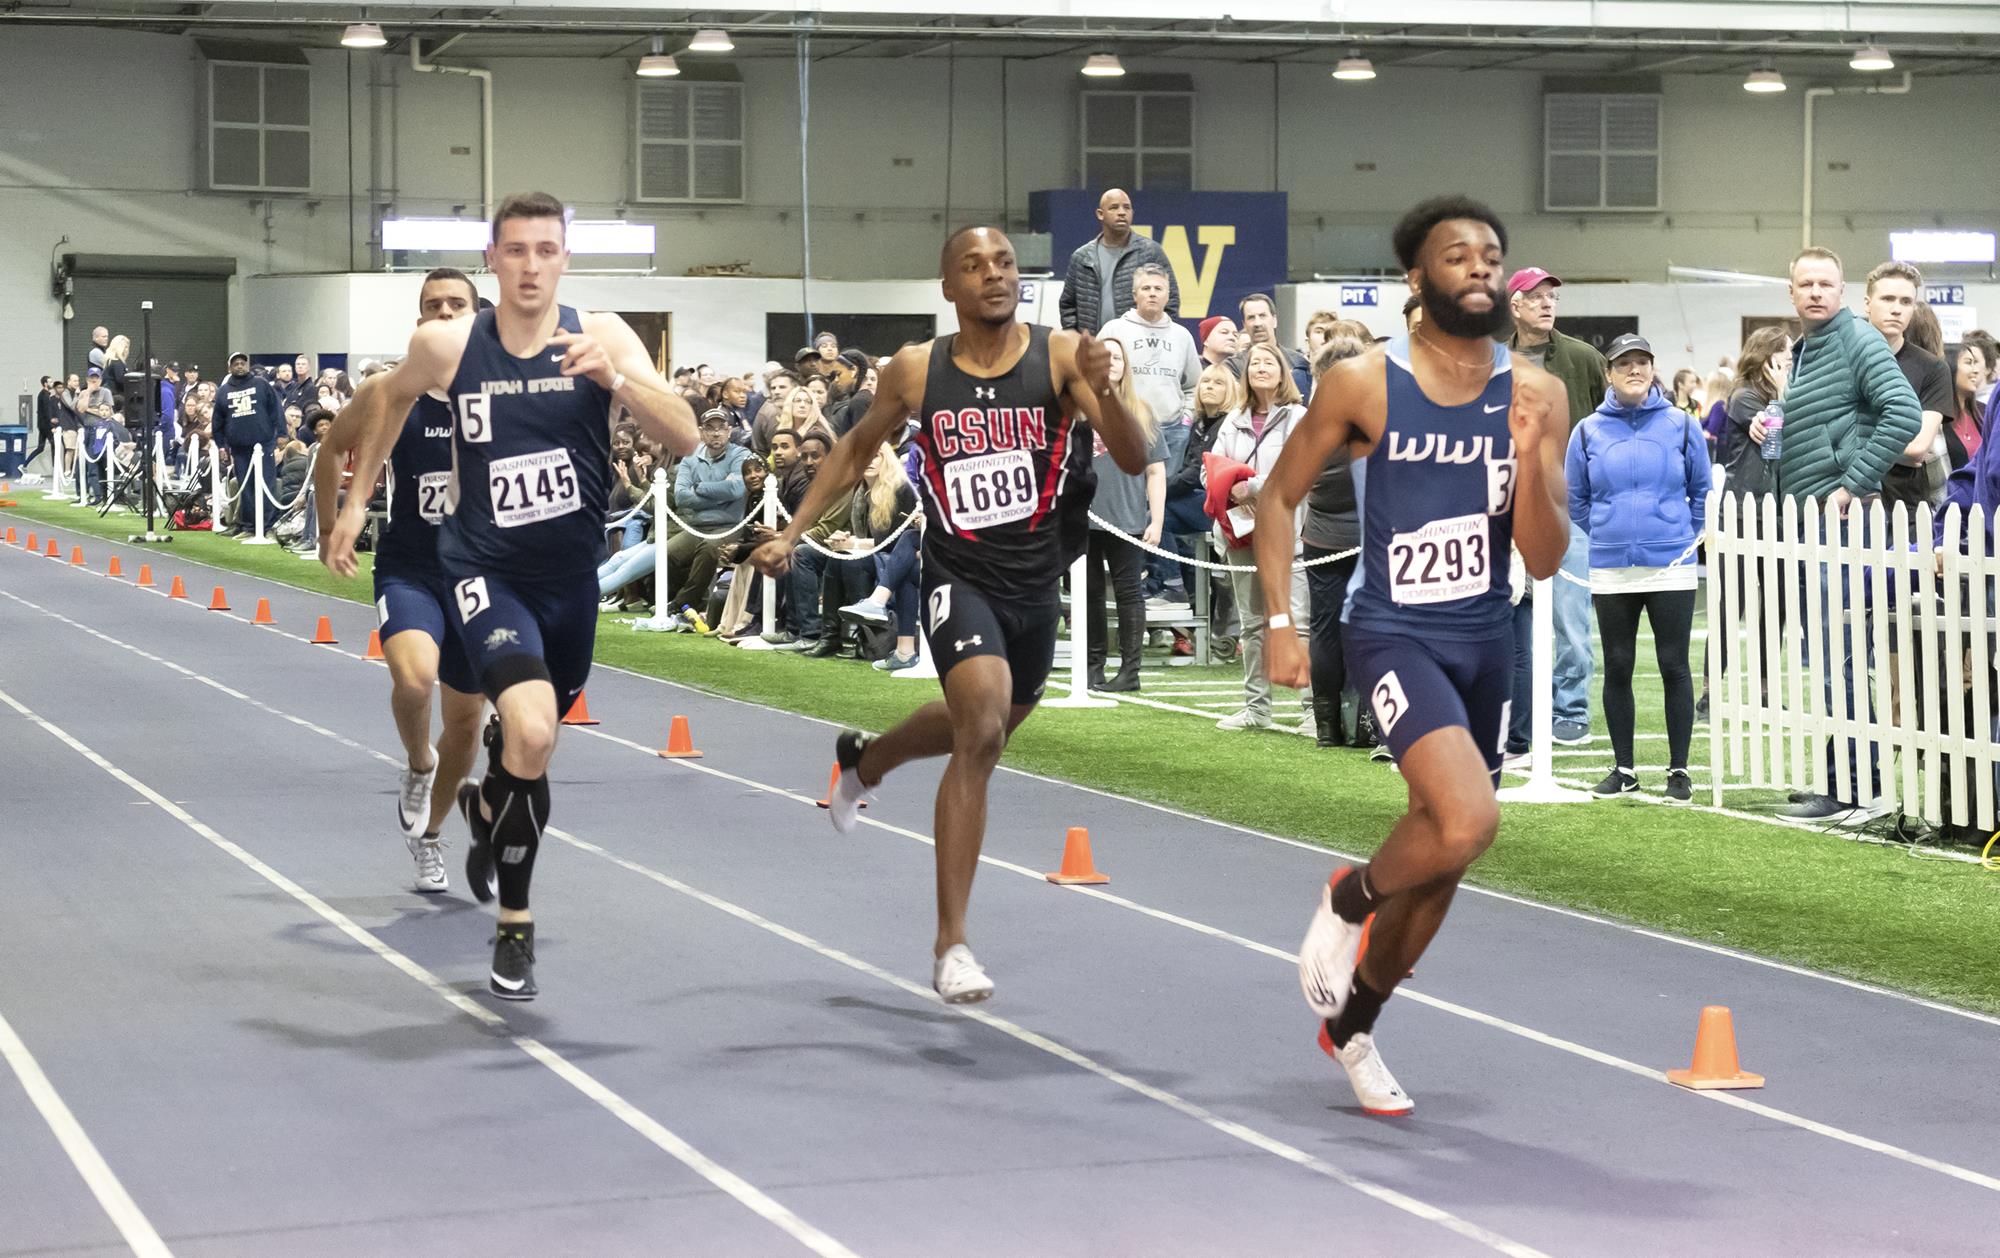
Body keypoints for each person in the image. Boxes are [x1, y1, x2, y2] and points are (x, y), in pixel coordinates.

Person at [751, 225, 1145, 1004]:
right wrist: (792, 534)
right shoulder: (915, 370)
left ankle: (865, 763)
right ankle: (951, 946)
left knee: (987, 723)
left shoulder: (1062, 355)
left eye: (1004, 263)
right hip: (957, 571)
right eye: (975, 265)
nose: (995, 275)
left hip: (1036, 581)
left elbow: (1132, 456)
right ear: (948, 287)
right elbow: (857, 447)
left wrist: (1109, 391)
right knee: (983, 726)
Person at [323, 192, 699, 1000]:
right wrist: (356, 505)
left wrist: (620, 382)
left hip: (570, 583)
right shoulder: (451, 343)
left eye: (546, 250)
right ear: (493, 261)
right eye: (516, 251)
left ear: (566, 258)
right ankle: (516, 929)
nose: (531, 265)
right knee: (528, 733)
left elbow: (686, 434)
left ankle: (488, 809)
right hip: (484, 572)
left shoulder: (601, 335)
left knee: (530, 749)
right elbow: (388, 402)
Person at [1255, 195, 1569, 1116]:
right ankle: (1349, 898)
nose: (1479, 265)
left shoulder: (1539, 394)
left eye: (1491, 254)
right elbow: (1277, 501)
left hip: (1485, 636)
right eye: (1457, 254)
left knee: (1445, 856)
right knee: (1468, 819)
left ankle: (1354, 1025)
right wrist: (1280, 623)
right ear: (1417, 279)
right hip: (1392, 629)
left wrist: (1530, 464)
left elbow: (1544, 556)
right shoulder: (1363, 381)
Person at [308, 270, 488, 892]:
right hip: (411, 566)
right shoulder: (387, 392)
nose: (443, 313)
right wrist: (333, 527)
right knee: (413, 679)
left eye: (456, 304)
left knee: (466, 723)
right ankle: (417, 761)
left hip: (483, 579)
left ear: (477, 316)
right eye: (431, 306)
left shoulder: (504, 394)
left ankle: (431, 836)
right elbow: (330, 450)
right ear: (418, 324)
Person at [1773, 246, 1922, 822]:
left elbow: (1904, 414)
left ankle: (1855, 790)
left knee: (1840, 660)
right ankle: (1841, 781)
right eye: (1805, 283)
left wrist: (1851, 482)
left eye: (1825, 283)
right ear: (1792, 293)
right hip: (1809, 527)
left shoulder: (1856, 338)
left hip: (1842, 526)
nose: (1815, 291)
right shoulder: (1808, 349)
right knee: (1832, 660)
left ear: (1841, 292)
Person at [1565, 335, 1709, 803]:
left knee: (1674, 665)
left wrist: (1680, 534)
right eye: (1624, 363)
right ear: (1609, 373)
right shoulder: (1587, 430)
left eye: (1642, 362)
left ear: (1652, 370)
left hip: (1672, 563)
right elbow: (1576, 497)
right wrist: (1606, 530)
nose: (1634, 369)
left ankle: (1680, 772)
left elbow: (1702, 490)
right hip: (1610, 565)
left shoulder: (1682, 426)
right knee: (1618, 665)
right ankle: (1624, 768)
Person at [1506, 265, 1606, 746]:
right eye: (1536, 296)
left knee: (1570, 613)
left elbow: (1606, 422)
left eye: (1552, 297)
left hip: (1570, 505)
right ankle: (1523, 706)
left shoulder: (1583, 358)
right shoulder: (1493, 362)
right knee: (1512, 613)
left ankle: (1570, 709)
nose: (1547, 303)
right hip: (1508, 505)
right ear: (1515, 305)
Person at [1210, 340, 1310, 731]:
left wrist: (1249, 487)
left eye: (1269, 362)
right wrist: (1228, 488)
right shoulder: (1232, 418)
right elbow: (1209, 471)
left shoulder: (1299, 417)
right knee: (1252, 624)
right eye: (1254, 363)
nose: (1261, 368)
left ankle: (1313, 712)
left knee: (1298, 621)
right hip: (1240, 535)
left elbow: (1304, 471)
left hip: (1289, 533)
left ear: (1283, 371)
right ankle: (1256, 709)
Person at [1704, 327, 1793, 718]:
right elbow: (1773, 437)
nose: (1790, 359)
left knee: (1774, 609)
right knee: (1730, 605)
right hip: (1740, 514)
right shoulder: (1743, 397)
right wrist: (1783, 395)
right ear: (1767, 358)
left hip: (1775, 516)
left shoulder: (1777, 397)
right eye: (1785, 354)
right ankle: (1710, 691)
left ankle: (1764, 689)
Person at [1084, 331, 1167, 692]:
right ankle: (1091, 667)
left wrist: (1157, 520)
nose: (1111, 362)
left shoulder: (1141, 411)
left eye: (1117, 357)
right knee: (1088, 594)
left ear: (1125, 365)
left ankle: (1130, 671)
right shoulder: (1078, 409)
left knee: (1128, 593)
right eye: (1104, 356)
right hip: (1082, 519)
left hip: (1128, 518)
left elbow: (1156, 471)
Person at [1302, 327, 1371, 747]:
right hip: (1370, 537)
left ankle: (1327, 726)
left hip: (1322, 537)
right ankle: (1366, 726)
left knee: (1324, 631)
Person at [1865, 262, 1957, 514]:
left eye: (1906, 302)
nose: (1896, 309)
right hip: (1845, 507)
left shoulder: (1933, 369)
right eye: (1887, 299)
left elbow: (1917, 448)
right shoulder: (1840, 359)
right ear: (1867, 303)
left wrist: (1851, 440)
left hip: (1906, 511)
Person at [834, 443, 927, 670]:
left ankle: (876, 603)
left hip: (945, 560)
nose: (869, 461)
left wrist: (855, 543)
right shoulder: (862, 493)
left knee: (907, 542)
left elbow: (894, 541)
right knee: (904, 570)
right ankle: (904, 652)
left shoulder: (903, 489)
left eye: (875, 456)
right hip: (906, 560)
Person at [664, 408, 751, 617]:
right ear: (702, 432)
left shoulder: (741, 454)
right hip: (698, 525)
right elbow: (682, 497)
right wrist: (721, 494)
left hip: (731, 525)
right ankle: (696, 603)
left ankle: (680, 603)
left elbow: (736, 489)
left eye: (721, 428)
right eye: (710, 429)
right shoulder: (690, 458)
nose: (716, 433)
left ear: (729, 431)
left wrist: (700, 487)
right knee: (668, 553)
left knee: (709, 549)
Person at [1058, 187, 1180, 333]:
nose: (1122, 212)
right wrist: (1075, 338)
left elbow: (1170, 298)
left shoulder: (1150, 252)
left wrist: (1157, 335)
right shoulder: (1082, 257)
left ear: (1132, 213)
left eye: (1127, 208)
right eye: (1114, 207)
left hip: (1138, 344)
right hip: (1092, 345)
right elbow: (1068, 304)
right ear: (1100, 214)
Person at [215, 351, 283, 535]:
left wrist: (282, 433)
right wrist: (221, 445)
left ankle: (267, 526)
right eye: (235, 363)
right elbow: (217, 422)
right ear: (229, 367)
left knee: (266, 485)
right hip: (239, 448)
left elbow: (276, 408)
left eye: (242, 363)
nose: (239, 366)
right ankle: (248, 525)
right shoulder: (223, 391)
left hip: (264, 444)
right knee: (245, 486)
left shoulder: (261, 384)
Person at [1227, 294, 1313, 397]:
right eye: (1251, 318)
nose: (1257, 323)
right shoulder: (1232, 366)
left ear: (1274, 321)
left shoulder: (1298, 362)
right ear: (1244, 325)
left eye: (1262, 316)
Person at [1949, 342, 1988, 469]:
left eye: (1975, 363)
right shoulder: (1938, 417)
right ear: (1951, 366)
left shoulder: (1982, 412)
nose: (1975, 370)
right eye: (1968, 363)